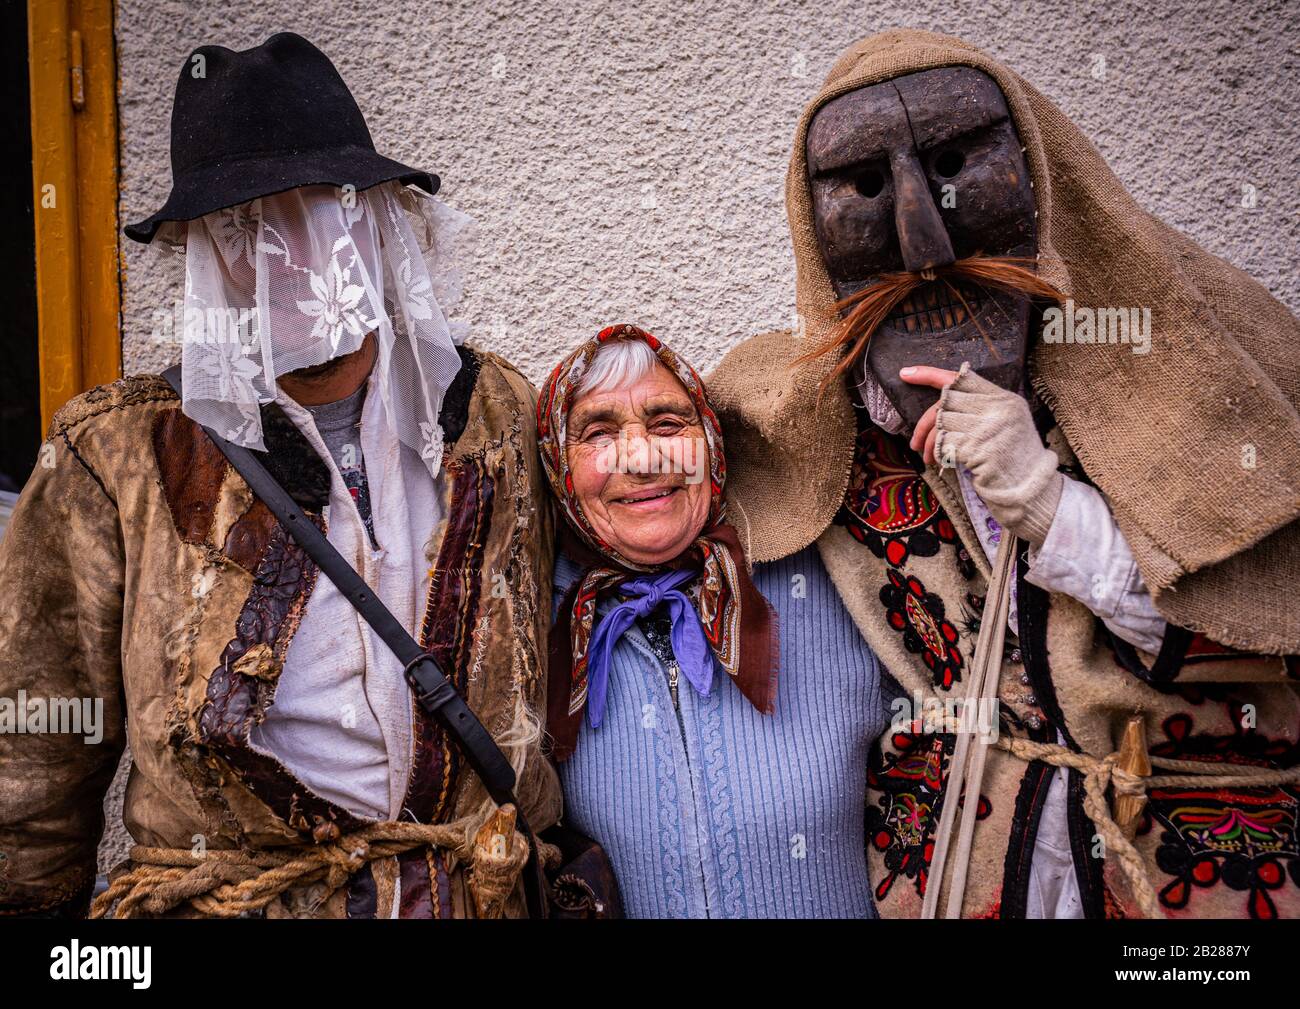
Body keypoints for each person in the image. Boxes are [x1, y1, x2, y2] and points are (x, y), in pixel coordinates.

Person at [708, 30, 1300, 919]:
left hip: (1200, 878)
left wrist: (1056, 508)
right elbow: (622, 480)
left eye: (954, 162)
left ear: (1037, 169)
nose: (924, 241)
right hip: (956, 874)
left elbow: (1273, 626)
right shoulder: (801, 423)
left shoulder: (1203, 357)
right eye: (865, 187)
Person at [0, 32, 558, 918]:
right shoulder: (116, 458)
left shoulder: (494, 416)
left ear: (376, 221)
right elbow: (32, 768)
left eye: (321, 215)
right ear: (206, 255)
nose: (292, 260)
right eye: (249, 229)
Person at [537, 323, 889, 918]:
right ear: (557, 467)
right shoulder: (530, 626)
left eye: (668, 425)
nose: (642, 458)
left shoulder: (828, 577)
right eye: (597, 432)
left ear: (711, 444)